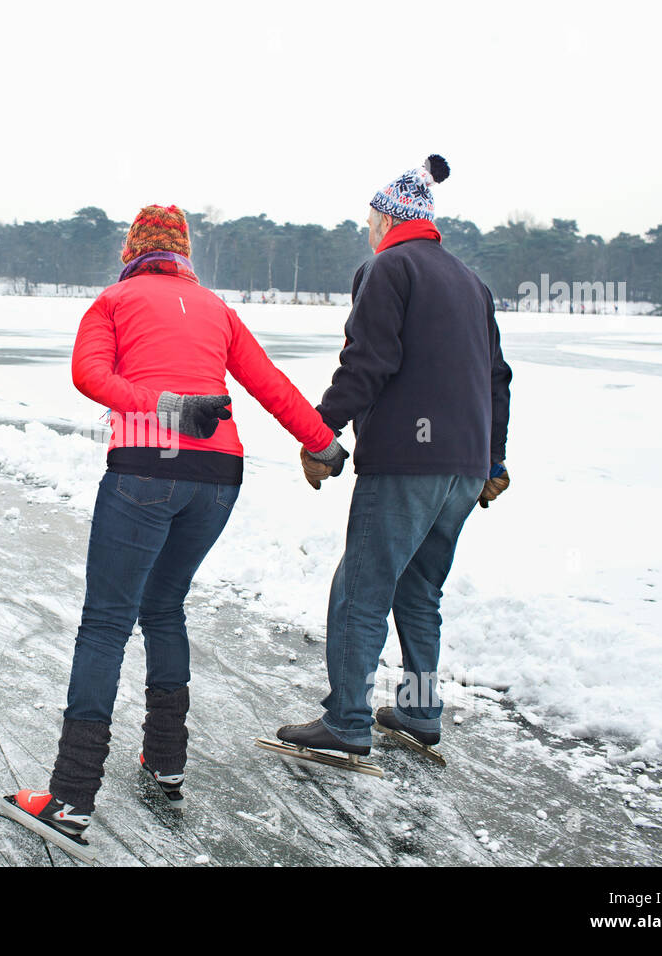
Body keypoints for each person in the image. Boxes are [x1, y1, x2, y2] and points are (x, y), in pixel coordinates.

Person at [3, 204, 345, 856]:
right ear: (183, 253)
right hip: (217, 480)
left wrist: (159, 407)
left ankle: (70, 800)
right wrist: (322, 443)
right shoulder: (215, 309)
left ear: (134, 250)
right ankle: (165, 761)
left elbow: (89, 375)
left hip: (145, 473)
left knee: (106, 622)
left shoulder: (113, 299)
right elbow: (267, 383)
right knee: (162, 607)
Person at [281, 155, 513, 760]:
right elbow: (496, 377)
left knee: (362, 587)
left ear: (387, 218)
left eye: (369, 218)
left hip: (408, 461)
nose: (367, 228)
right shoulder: (471, 281)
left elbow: (367, 362)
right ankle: (418, 709)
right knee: (418, 591)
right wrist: (494, 460)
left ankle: (348, 719)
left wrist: (319, 431)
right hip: (464, 466)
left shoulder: (387, 268)